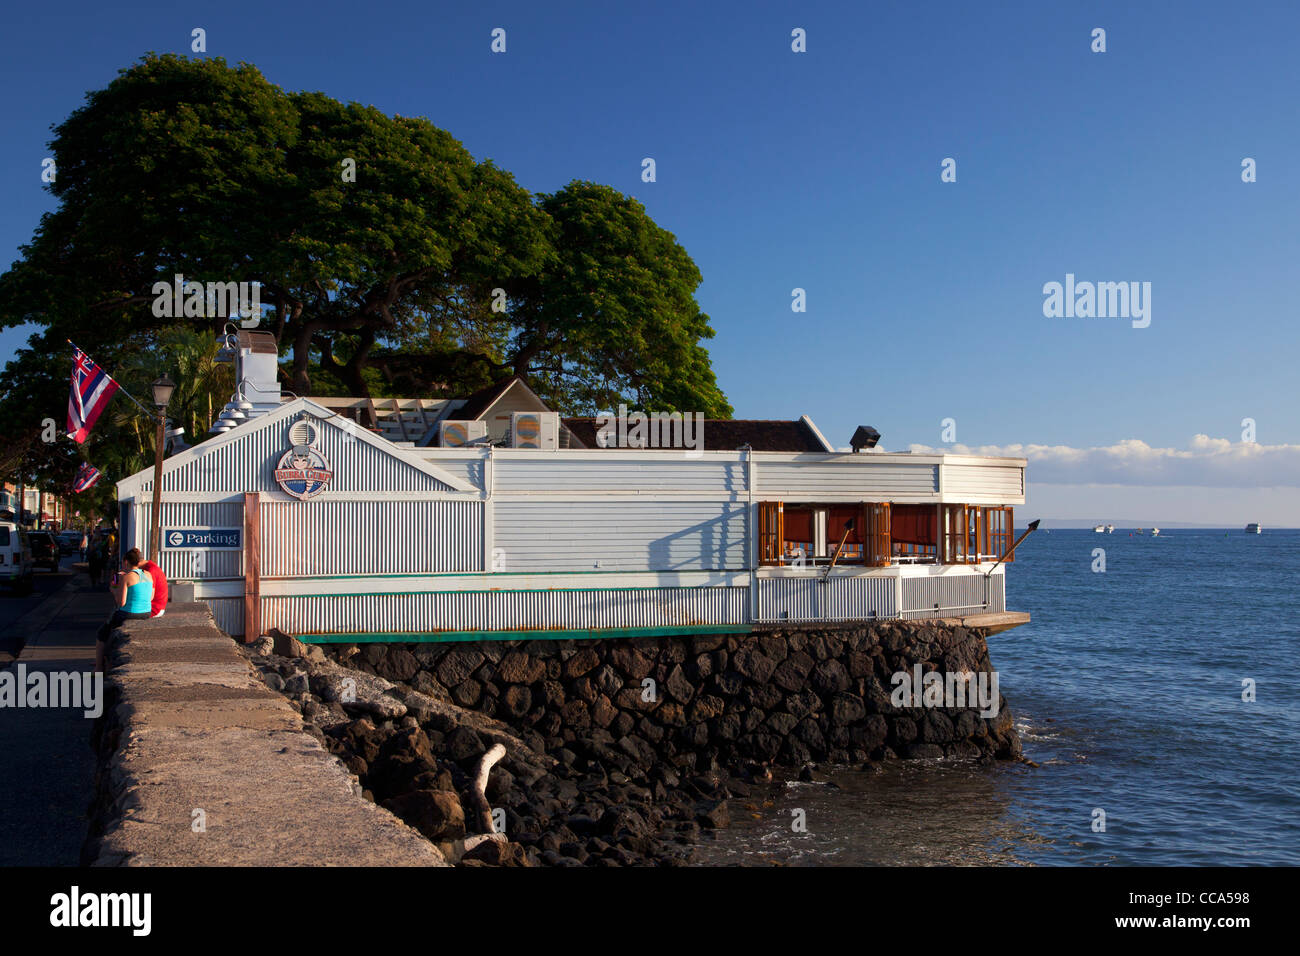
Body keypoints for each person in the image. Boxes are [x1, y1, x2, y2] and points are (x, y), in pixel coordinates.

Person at [95, 548, 153, 672]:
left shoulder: (126, 577)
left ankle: (99, 667)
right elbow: (151, 596)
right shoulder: (148, 574)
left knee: (102, 633)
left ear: (126, 562)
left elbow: (120, 602)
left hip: (129, 613)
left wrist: (113, 589)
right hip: (147, 612)